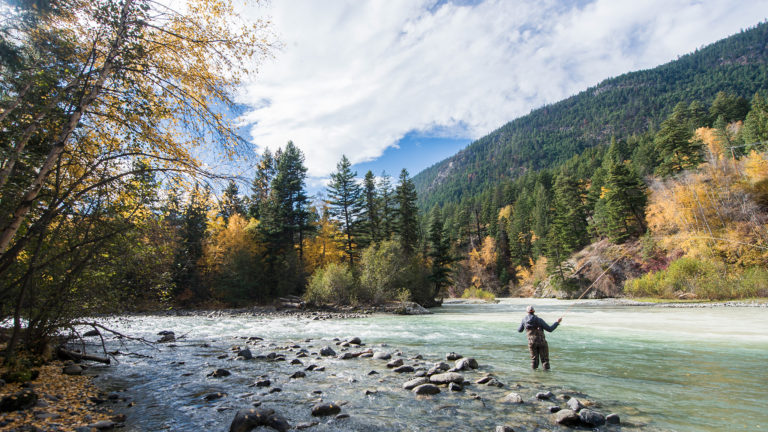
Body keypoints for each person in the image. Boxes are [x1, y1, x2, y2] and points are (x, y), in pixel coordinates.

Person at [518, 305, 562, 370]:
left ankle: (534, 376)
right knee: (545, 360)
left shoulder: (524, 320)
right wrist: (557, 322)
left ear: (527, 312)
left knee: (534, 360)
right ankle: (547, 376)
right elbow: (550, 329)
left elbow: (519, 330)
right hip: (542, 342)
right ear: (534, 311)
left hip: (531, 342)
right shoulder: (539, 320)